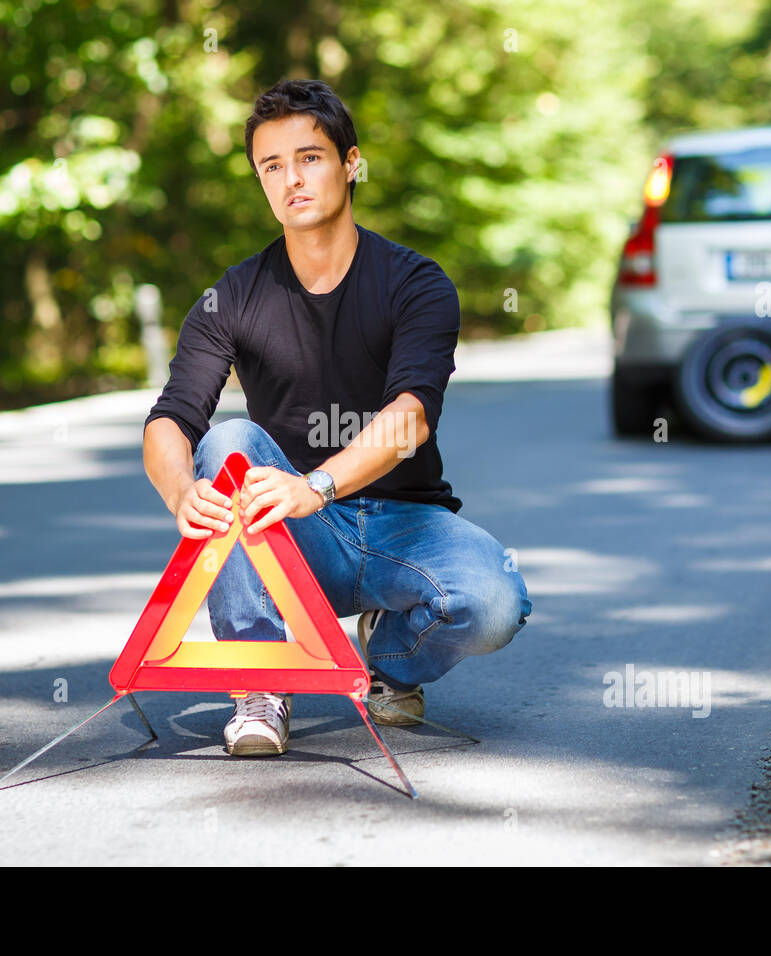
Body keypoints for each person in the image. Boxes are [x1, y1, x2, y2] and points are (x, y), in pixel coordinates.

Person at [142, 78, 531, 756]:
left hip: (401, 522)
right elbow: (172, 418)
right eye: (272, 165)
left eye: (310, 157)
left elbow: (411, 415)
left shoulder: (416, 283)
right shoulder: (230, 296)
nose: (292, 178)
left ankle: (388, 661)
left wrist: (316, 483)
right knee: (228, 439)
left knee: (495, 603)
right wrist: (182, 494)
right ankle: (260, 682)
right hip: (290, 536)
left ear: (352, 164)